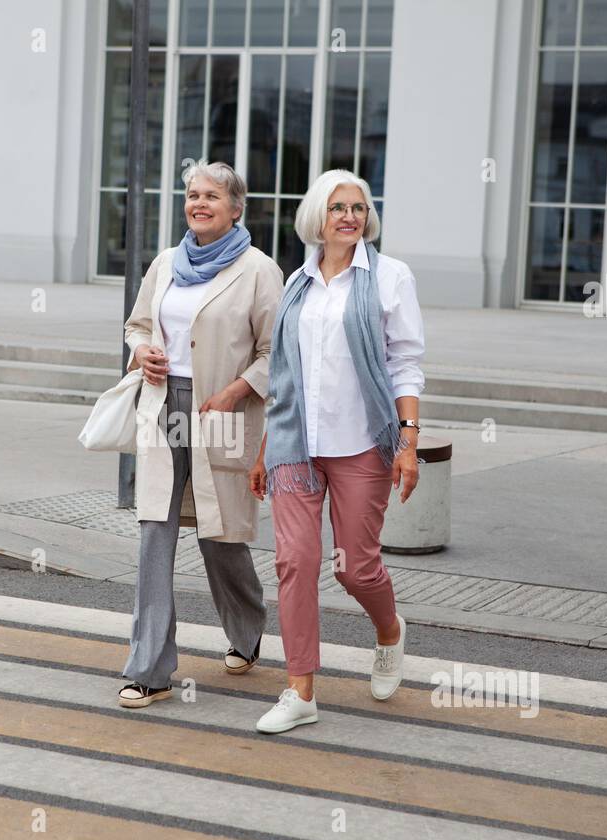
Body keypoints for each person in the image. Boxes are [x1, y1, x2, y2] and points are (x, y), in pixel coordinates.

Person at [248, 169, 426, 733]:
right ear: (317, 218)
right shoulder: (297, 281)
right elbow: (284, 373)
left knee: (356, 567)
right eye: (337, 207)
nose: (350, 216)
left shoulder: (391, 278)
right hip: (296, 445)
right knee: (294, 563)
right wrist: (264, 448)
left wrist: (408, 440)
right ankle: (300, 689)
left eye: (358, 207)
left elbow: (405, 362)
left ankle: (389, 628)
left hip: (361, 443)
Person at [118, 160, 284, 707]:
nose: (199, 203)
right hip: (164, 406)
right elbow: (138, 324)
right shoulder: (166, 263)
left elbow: (276, 354)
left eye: (212, 196)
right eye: (192, 195)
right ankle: (149, 668)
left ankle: (247, 624)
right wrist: (142, 350)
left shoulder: (260, 271)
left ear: (236, 208)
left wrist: (239, 390)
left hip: (224, 413)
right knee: (154, 531)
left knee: (219, 535)